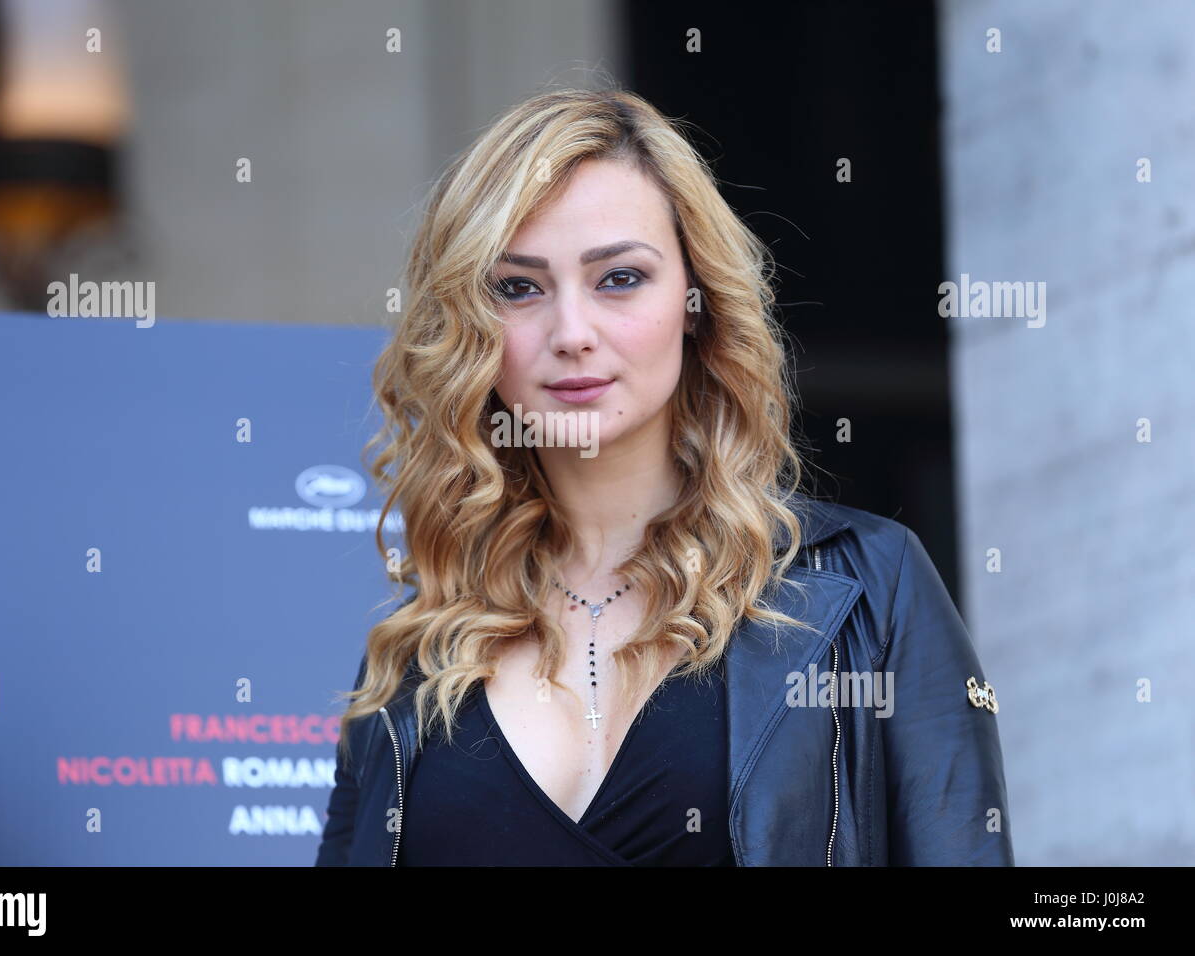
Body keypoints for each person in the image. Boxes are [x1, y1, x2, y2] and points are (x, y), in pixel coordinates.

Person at [315, 87, 1014, 866]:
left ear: (694, 299)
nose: (572, 333)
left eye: (619, 278)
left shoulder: (865, 591)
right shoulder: (417, 651)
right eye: (518, 287)